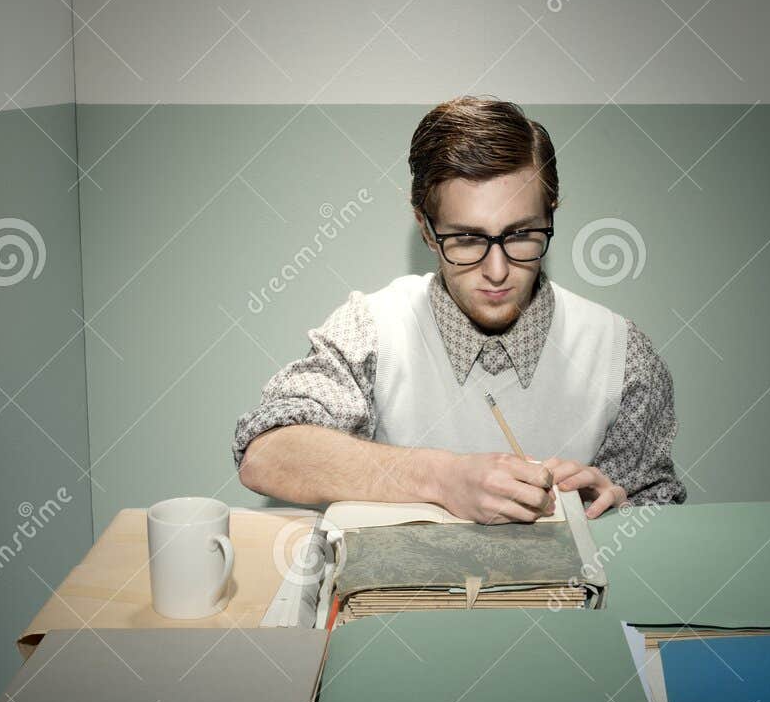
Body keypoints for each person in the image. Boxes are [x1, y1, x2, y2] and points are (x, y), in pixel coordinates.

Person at [233, 96, 684, 523]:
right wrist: (443, 479)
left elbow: (660, 539)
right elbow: (266, 455)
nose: (497, 269)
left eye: (521, 234)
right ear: (427, 231)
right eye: (466, 238)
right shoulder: (370, 330)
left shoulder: (623, 358)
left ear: (551, 215)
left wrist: (616, 511)